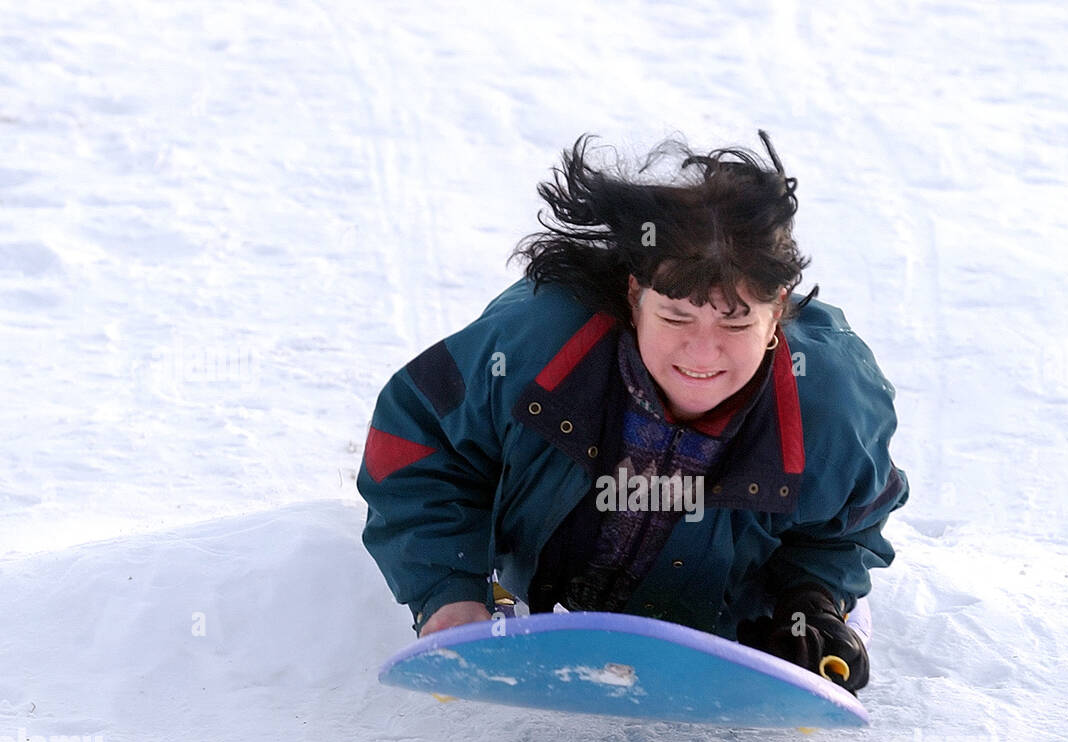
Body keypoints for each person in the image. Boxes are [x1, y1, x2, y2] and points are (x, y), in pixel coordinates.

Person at [357, 131, 908, 693]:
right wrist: (450, 592)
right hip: (535, 584)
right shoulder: (529, 346)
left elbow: (846, 530)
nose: (701, 353)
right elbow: (414, 445)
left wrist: (811, 604)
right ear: (633, 297)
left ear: (778, 312)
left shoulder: (834, 403)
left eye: (736, 324)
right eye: (675, 319)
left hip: (723, 618)